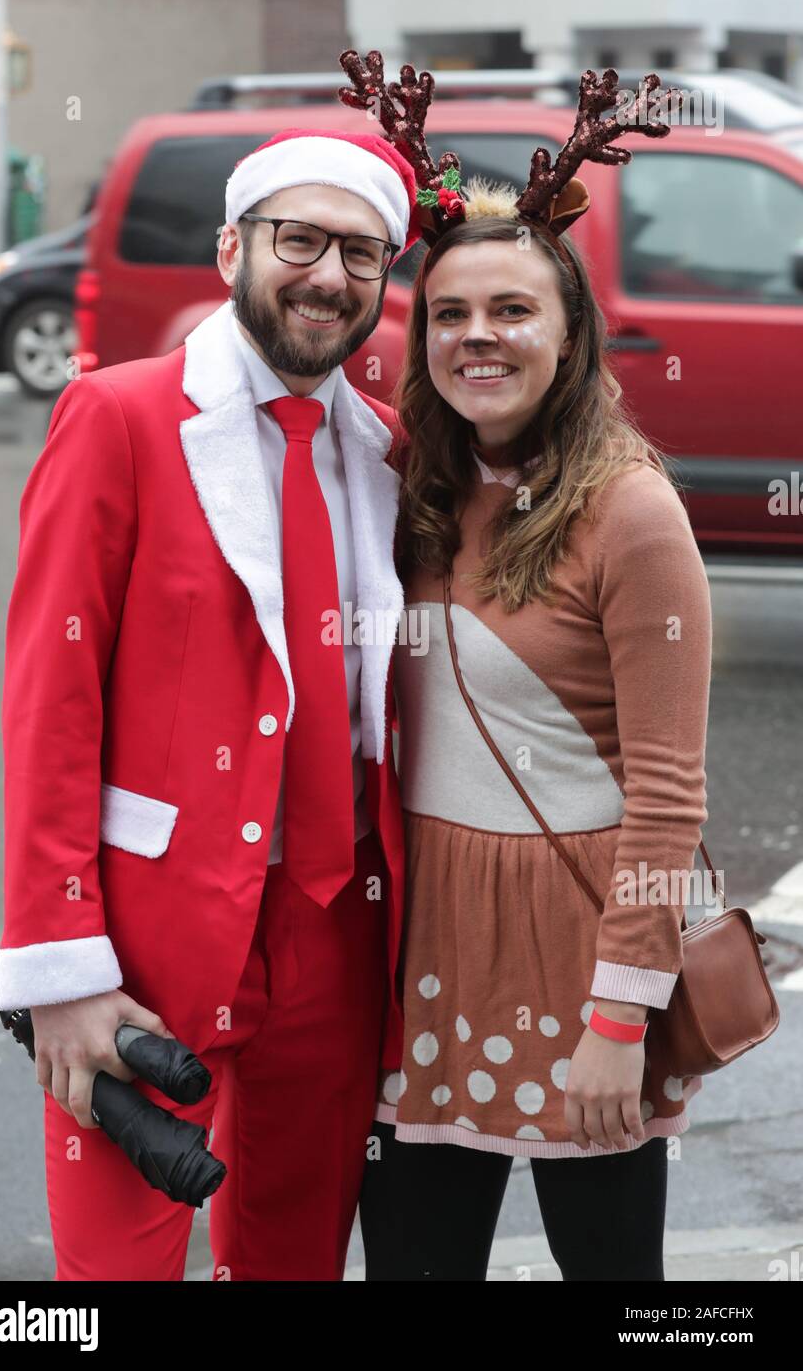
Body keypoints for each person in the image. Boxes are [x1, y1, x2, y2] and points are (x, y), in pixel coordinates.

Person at [0, 126, 421, 1281]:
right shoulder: (121, 419)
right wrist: (62, 960)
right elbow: (49, 702)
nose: (331, 275)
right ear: (231, 246)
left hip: (335, 928)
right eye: (300, 240)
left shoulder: (386, 454)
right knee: (113, 1271)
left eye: (364, 254)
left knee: (294, 1258)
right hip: (145, 933)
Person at [353, 63, 713, 1280]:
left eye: (511, 311)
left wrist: (620, 1019)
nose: (477, 338)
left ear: (568, 333)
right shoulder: (417, 487)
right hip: (424, 950)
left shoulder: (631, 512)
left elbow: (667, 793)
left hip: (578, 952)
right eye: (449, 314)